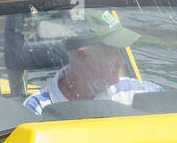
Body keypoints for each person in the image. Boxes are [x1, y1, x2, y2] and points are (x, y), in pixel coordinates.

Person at [24, 10, 163, 114]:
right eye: (112, 52)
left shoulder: (138, 93)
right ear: (81, 56)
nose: (121, 62)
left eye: (120, 52)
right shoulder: (37, 110)